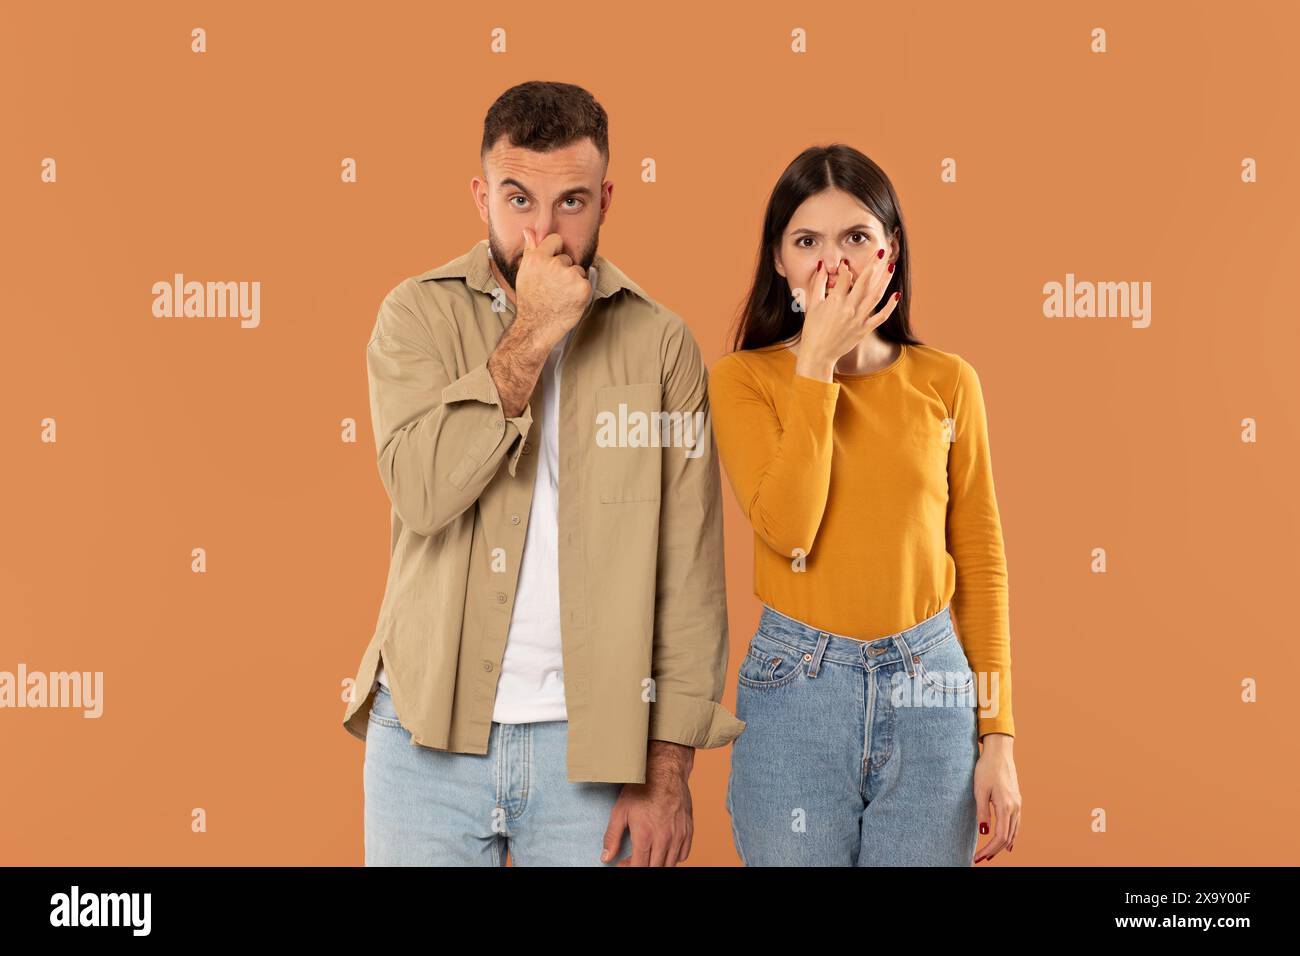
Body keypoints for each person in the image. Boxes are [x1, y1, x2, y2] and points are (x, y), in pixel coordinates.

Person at [342, 80, 743, 866]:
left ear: (607, 201)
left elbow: (688, 571)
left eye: (572, 202)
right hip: (425, 740)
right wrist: (532, 332)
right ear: (479, 195)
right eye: (518, 198)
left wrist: (666, 772)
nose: (543, 230)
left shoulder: (662, 347)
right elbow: (423, 492)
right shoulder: (413, 317)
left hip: (596, 755)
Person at [708, 144, 1022, 866]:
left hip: (932, 687)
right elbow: (789, 530)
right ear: (780, 262)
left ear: (890, 252)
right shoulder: (743, 381)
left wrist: (998, 738)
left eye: (855, 237)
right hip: (796, 692)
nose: (833, 263)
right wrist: (815, 366)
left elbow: (981, 563)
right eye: (807, 241)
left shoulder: (949, 383)